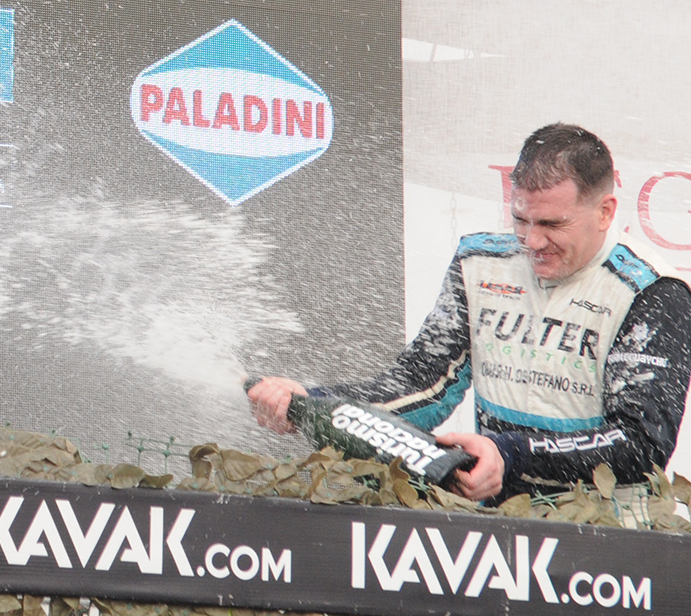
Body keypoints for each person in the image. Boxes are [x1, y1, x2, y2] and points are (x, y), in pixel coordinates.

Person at [248, 123, 691, 502]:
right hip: (494, 521)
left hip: (609, 530)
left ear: (605, 212)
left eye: (553, 225)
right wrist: (315, 402)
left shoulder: (653, 292)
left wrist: (511, 453)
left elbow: (640, 444)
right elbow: (423, 386)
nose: (531, 241)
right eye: (521, 219)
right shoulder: (478, 264)